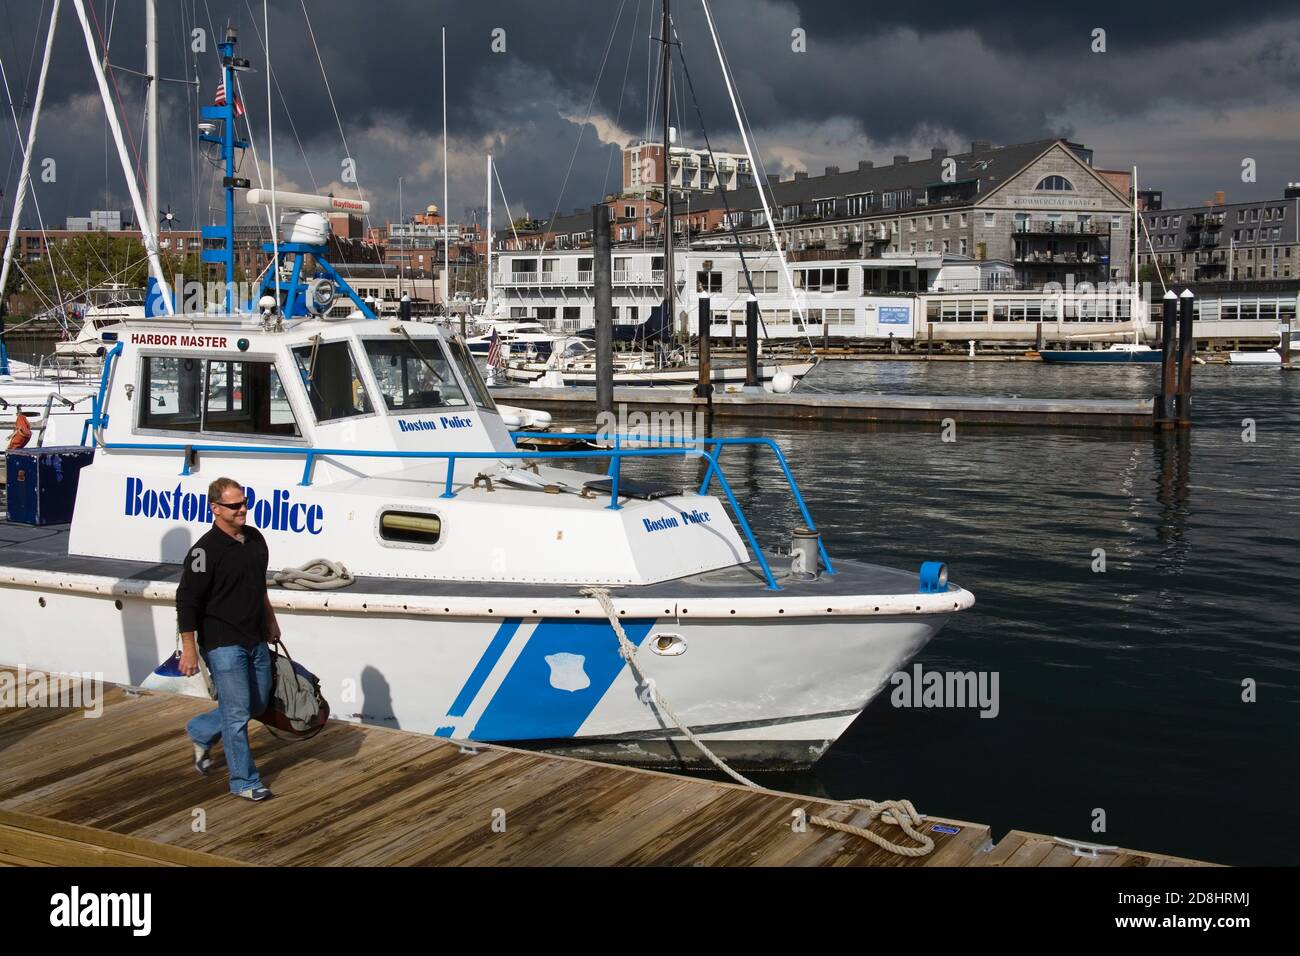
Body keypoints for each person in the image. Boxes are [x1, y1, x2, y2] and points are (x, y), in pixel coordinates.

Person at [177, 477, 281, 801]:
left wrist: (271, 620)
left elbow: (258, 586)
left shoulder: (255, 540)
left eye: (245, 502)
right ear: (215, 508)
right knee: (237, 713)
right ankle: (244, 781)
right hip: (222, 642)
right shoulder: (203, 552)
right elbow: (186, 600)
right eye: (234, 505)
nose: (242, 510)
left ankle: (202, 729)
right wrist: (189, 649)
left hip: (254, 636)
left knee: (257, 702)